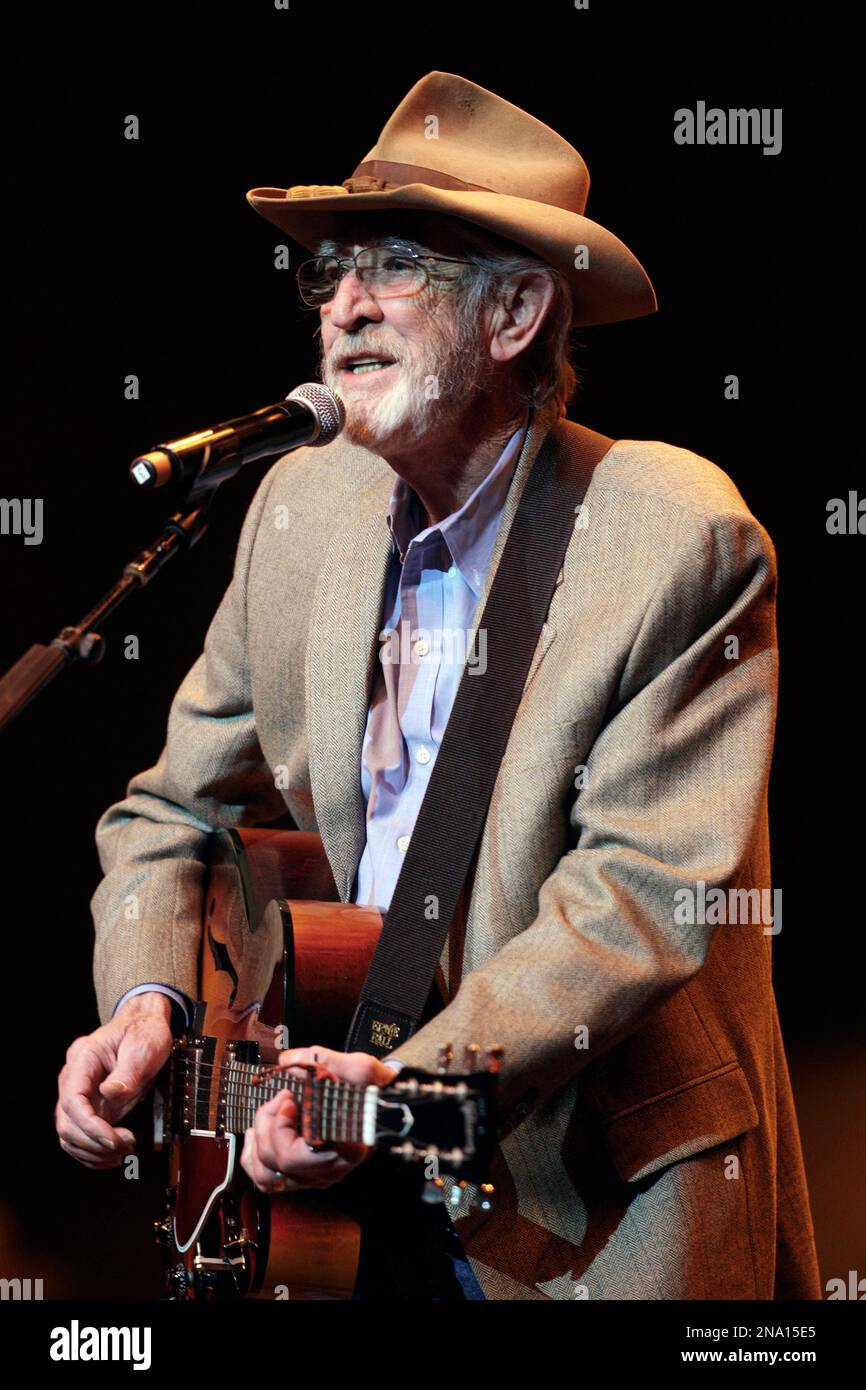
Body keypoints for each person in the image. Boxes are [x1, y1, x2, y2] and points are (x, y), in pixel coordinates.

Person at [55, 70, 821, 1300]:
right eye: (328, 273)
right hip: (332, 1188)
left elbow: (637, 898)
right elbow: (167, 816)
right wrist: (146, 1002)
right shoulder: (299, 509)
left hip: (588, 1205)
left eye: (394, 265)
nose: (342, 304)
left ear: (517, 309)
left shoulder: (675, 532)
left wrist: (401, 1092)